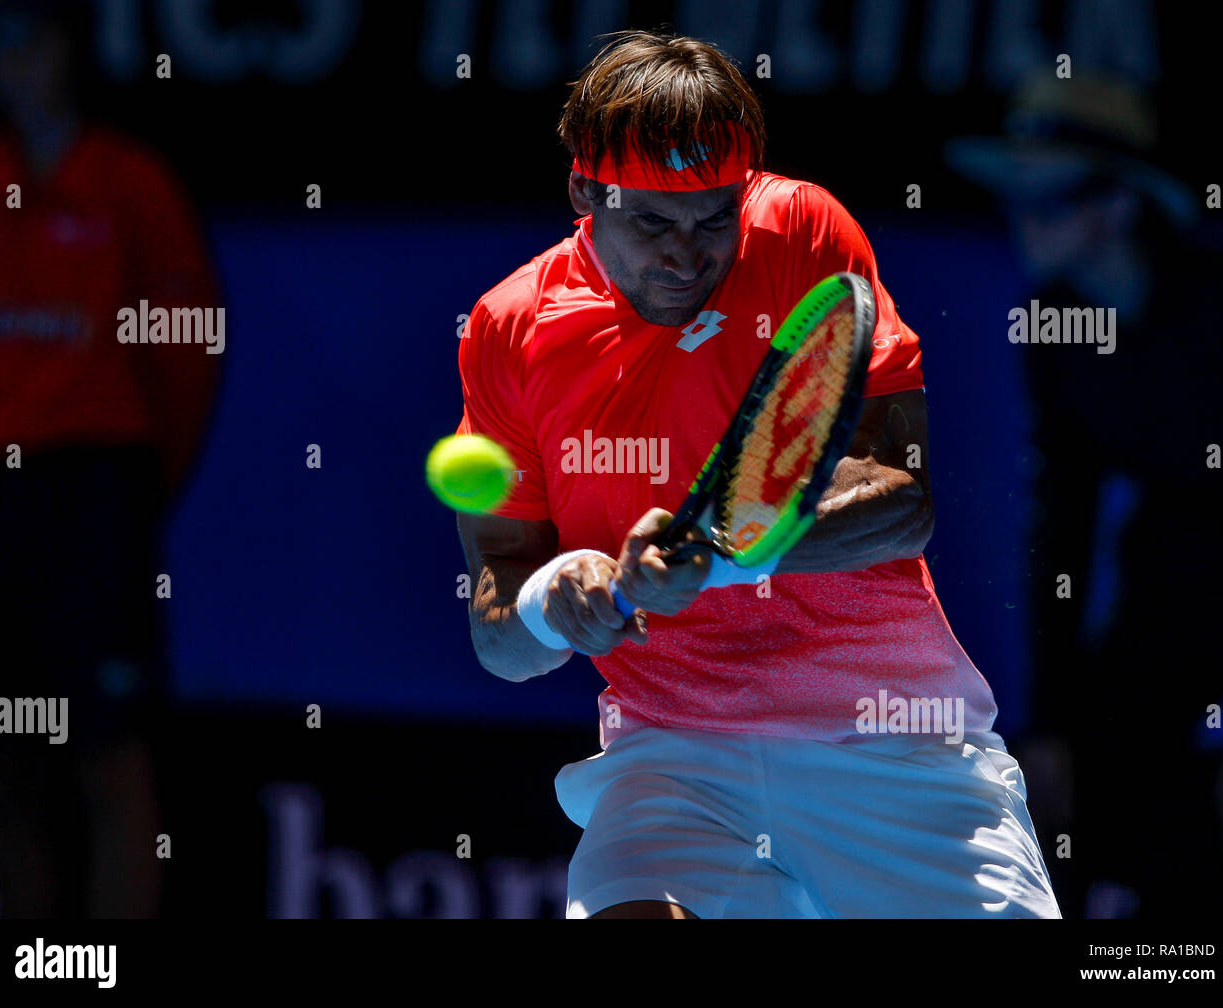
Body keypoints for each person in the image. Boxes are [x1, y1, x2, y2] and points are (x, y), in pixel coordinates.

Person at [454, 31, 1059, 919]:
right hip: (674, 754)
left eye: (713, 220)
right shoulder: (509, 329)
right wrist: (556, 597)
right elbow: (498, 630)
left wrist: (717, 551)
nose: (686, 256)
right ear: (585, 191)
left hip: (890, 733)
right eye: (653, 221)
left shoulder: (803, 230)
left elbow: (904, 502)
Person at [947, 73, 1223, 917]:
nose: (1024, 221)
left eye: (1047, 199)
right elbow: (1064, 523)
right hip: (1167, 600)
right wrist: (1051, 729)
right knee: (1081, 813)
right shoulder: (1054, 324)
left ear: (1119, 207)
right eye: (1015, 198)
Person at [0, 0, 221, 917]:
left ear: (70, 54)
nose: (19, 65)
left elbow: (188, 355)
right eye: (2, 48)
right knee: (1, 749)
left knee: (106, 751)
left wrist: (133, 484)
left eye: (35, 41)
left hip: (90, 503)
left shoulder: (130, 184)